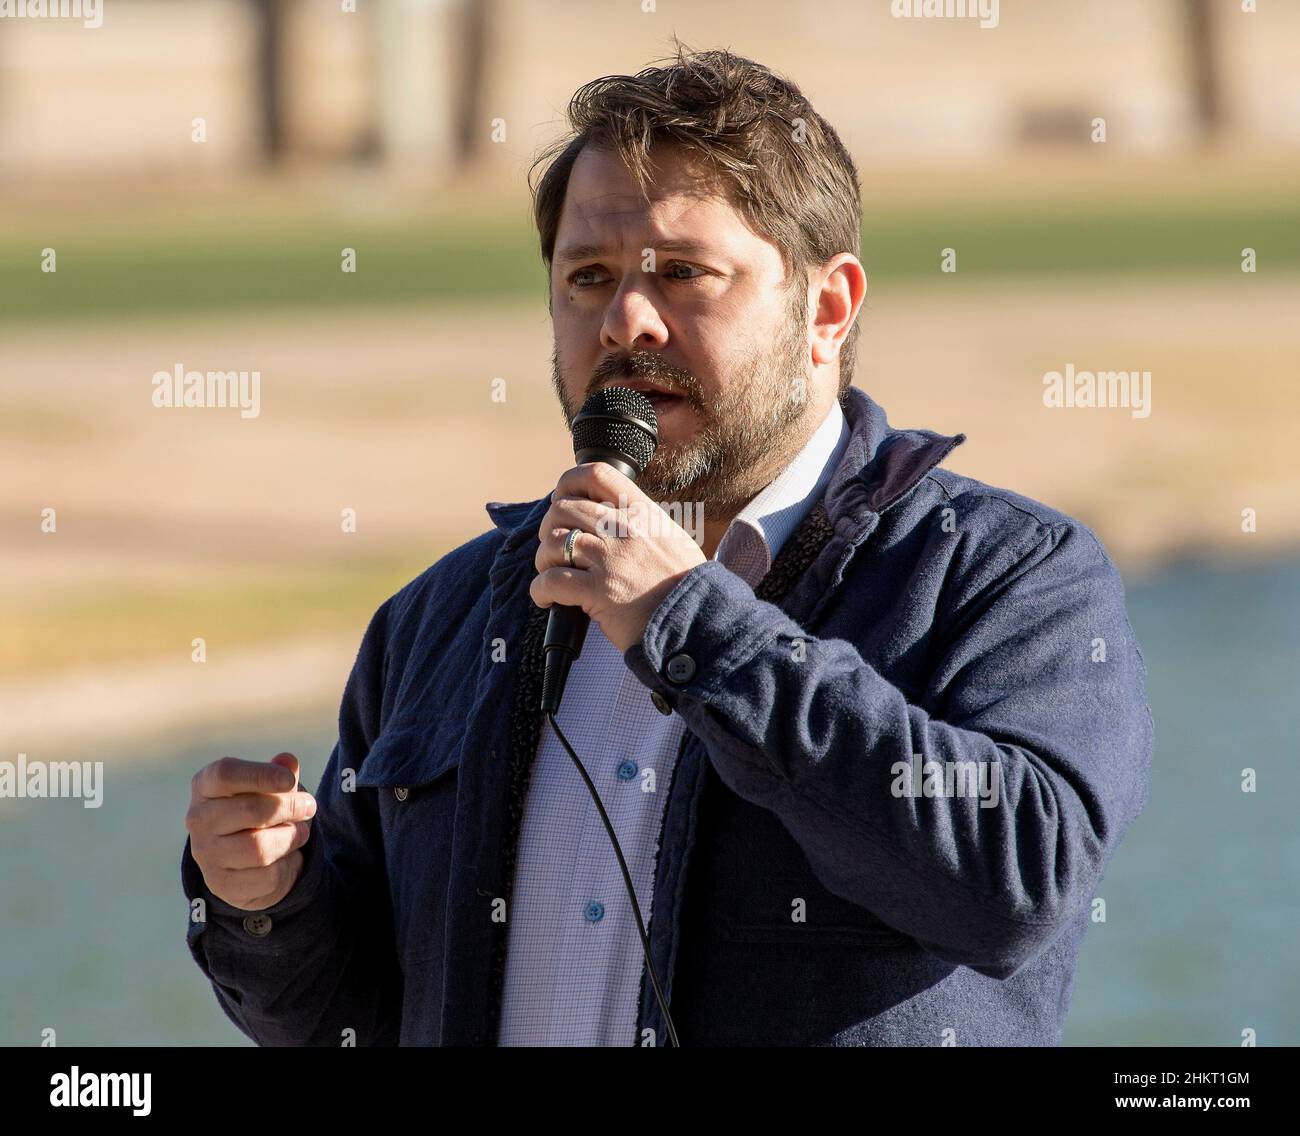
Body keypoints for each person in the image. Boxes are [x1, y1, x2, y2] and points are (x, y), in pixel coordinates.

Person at [180, 45, 1153, 1047]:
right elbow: (346, 1019)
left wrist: (688, 621)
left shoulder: (1005, 574)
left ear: (826, 308)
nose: (624, 319)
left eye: (682, 273)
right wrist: (260, 900)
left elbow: (1018, 884)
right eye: (586, 277)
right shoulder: (439, 617)